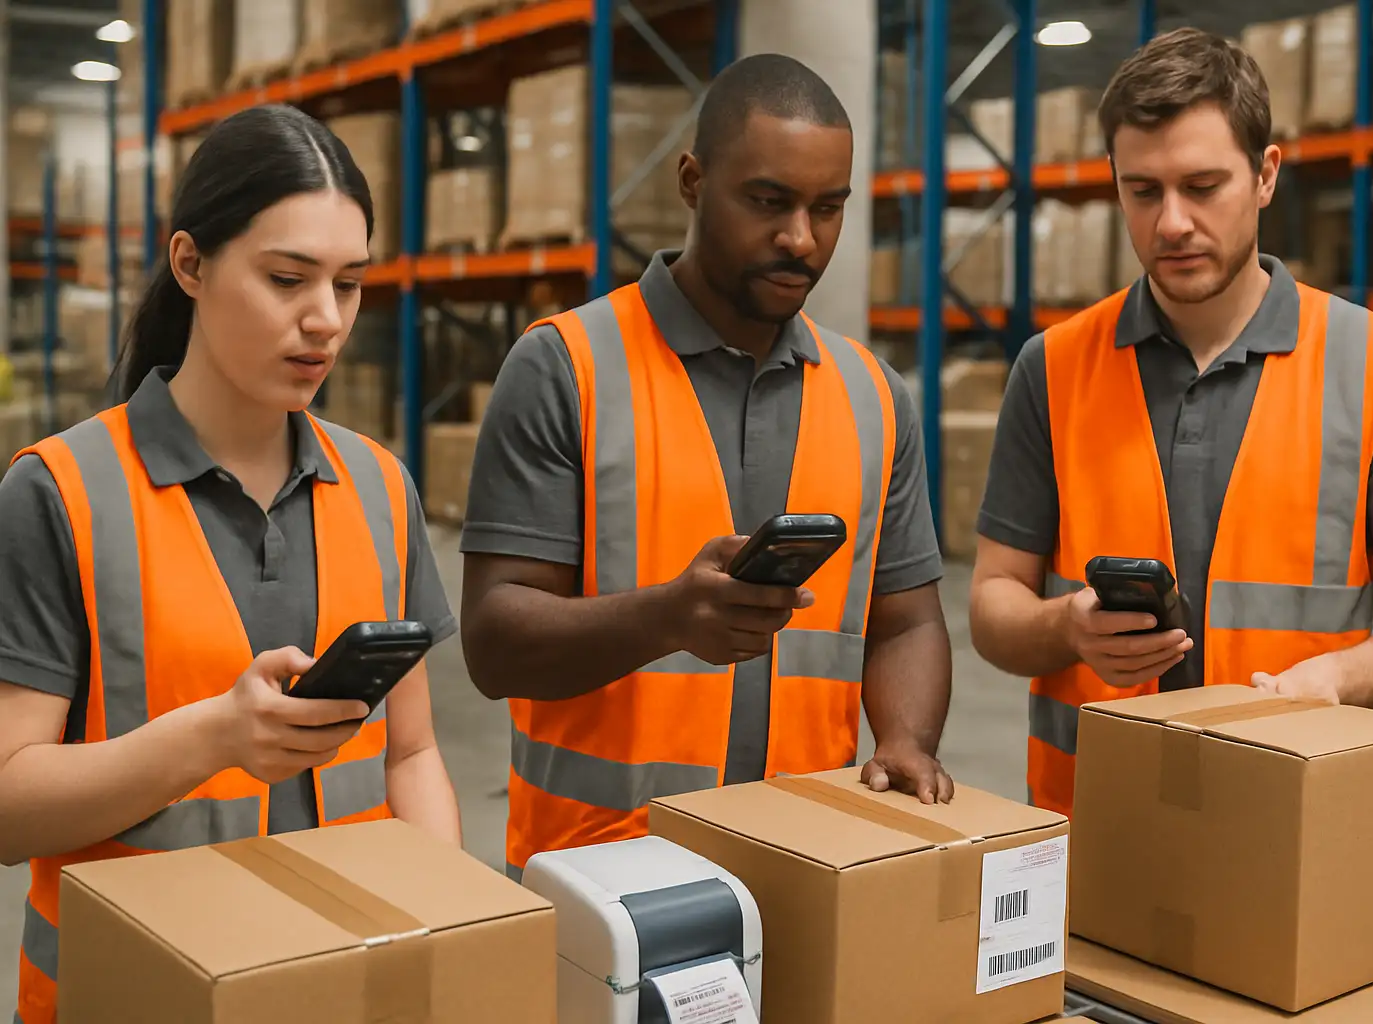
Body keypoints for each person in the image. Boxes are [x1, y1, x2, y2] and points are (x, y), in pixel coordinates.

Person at [0, 104, 461, 1024]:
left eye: (351, 283)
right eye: (287, 278)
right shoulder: (60, 492)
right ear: (190, 264)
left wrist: (447, 938)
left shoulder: (377, 487)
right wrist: (210, 739)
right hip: (137, 999)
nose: (325, 320)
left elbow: (410, 753)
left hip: (346, 992)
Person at [459, 53, 954, 880]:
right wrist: (667, 619)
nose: (801, 238)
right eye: (768, 202)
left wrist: (906, 740)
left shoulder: (874, 397)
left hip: (809, 867)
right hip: (603, 880)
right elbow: (494, 642)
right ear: (692, 180)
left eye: (827, 209)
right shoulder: (567, 368)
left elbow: (906, 620)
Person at [968, 28, 1373, 817]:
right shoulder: (1055, 367)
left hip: (1297, 816)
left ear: (1266, 174)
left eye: (1202, 186)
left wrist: (1338, 681)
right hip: (1097, 823)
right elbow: (994, 606)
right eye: (1143, 191)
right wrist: (1064, 627)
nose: (1172, 222)